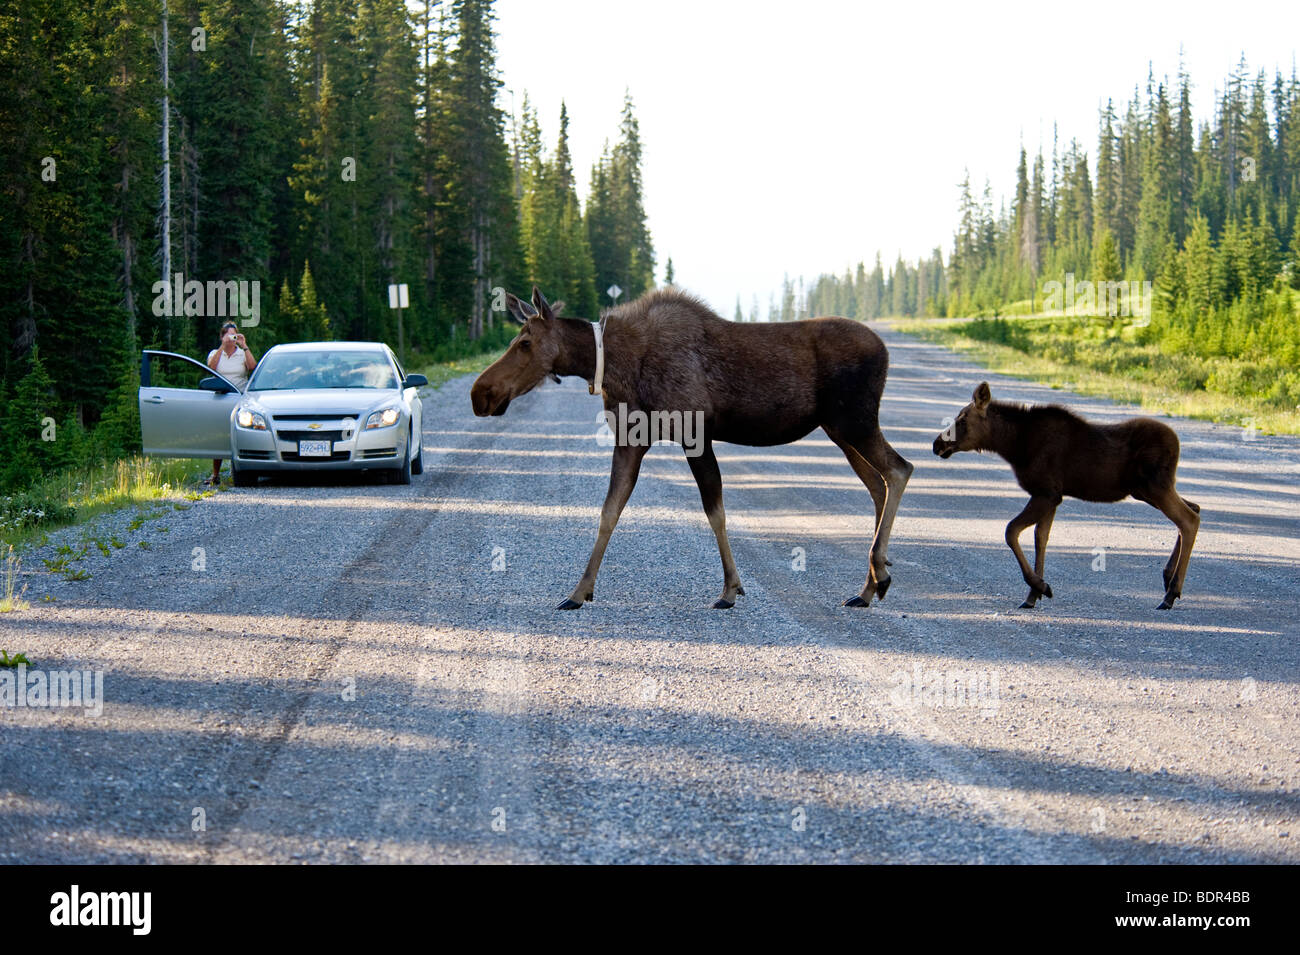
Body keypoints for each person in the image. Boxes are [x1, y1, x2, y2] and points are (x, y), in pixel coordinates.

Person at [206, 322, 257, 485]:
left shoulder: (242, 354)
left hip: (239, 397)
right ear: (222, 336)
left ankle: (245, 471)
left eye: (234, 335)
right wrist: (222, 347)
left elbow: (253, 367)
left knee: (241, 433)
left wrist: (245, 346)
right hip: (221, 397)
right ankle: (215, 474)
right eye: (228, 335)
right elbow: (211, 368)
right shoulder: (215, 353)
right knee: (219, 434)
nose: (231, 339)